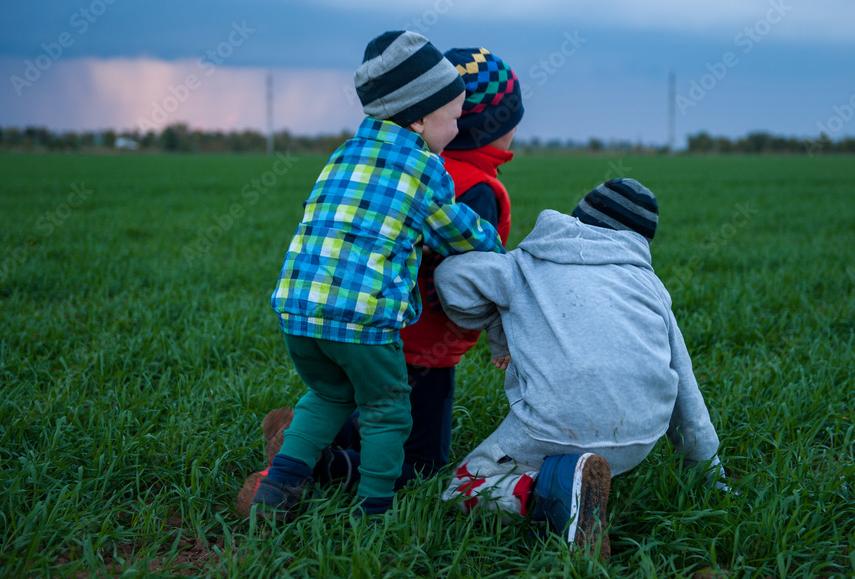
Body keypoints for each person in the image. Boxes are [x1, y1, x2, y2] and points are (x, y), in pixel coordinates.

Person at [236, 47, 524, 516]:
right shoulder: (432, 172)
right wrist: (503, 252)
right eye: (452, 116)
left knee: (333, 393)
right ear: (418, 122)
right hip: (376, 327)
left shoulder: (346, 153)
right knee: (399, 425)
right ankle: (370, 508)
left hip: (298, 310)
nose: (455, 128)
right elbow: (462, 237)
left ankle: (280, 479)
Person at [434, 179, 727, 558]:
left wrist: (496, 325)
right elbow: (687, 393)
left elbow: (450, 276)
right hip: (639, 437)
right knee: (596, 444)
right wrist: (709, 476)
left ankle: (546, 495)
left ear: (574, 220)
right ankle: (581, 480)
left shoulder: (525, 265)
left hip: (553, 424)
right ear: (638, 241)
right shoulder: (650, 286)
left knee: (460, 489)